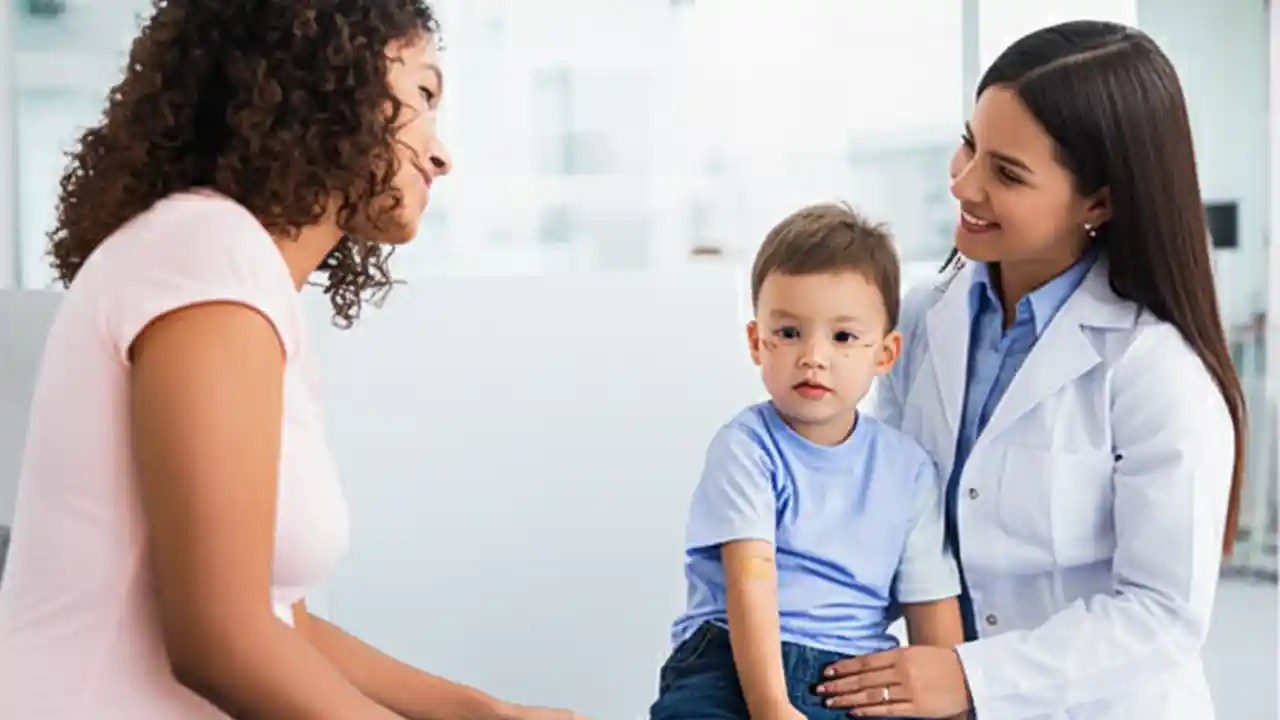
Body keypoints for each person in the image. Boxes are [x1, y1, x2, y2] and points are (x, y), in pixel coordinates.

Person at [0, 3, 584, 719]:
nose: (440, 153)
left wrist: (478, 712)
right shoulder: (205, 252)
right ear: (332, 83)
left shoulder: (244, 281)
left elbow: (281, 621)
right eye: (424, 96)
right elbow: (220, 640)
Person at [814, 20, 1244, 719]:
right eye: (970, 145)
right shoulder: (925, 317)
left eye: (1006, 173)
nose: (964, 183)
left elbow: (1161, 616)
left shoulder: (1153, 367)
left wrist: (971, 677)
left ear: (1098, 201)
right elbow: (894, 503)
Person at [648, 204, 966, 720]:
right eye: (789, 332)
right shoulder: (746, 447)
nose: (812, 356)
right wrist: (772, 706)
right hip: (732, 657)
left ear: (884, 355)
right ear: (757, 342)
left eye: (842, 338)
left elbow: (931, 608)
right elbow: (751, 580)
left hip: (853, 672)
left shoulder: (908, 469)